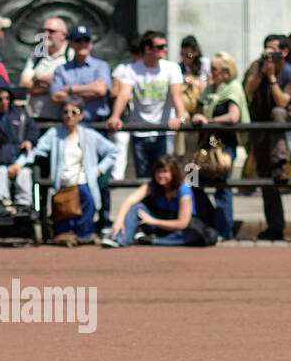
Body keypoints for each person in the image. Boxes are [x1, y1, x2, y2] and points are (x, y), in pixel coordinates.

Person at [23, 96, 118, 245]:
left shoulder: (89, 135)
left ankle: (84, 236)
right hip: (63, 184)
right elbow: (37, 150)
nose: (69, 115)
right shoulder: (54, 134)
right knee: (63, 221)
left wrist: (99, 170)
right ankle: (64, 236)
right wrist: (20, 163)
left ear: (81, 115)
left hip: (83, 182)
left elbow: (113, 151)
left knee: (86, 217)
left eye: (74, 112)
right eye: (65, 111)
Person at [106, 30, 186, 178]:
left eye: (165, 45)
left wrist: (180, 117)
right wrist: (115, 116)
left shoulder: (172, 68)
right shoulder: (132, 69)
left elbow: (177, 96)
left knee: (165, 176)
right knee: (144, 178)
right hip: (140, 130)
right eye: (161, 46)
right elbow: (123, 94)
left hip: (164, 131)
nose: (165, 49)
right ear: (148, 49)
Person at [191, 51, 247, 241]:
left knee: (222, 187)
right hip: (204, 145)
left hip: (223, 144)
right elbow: (197, 110)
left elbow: (233, 116)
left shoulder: (233, 88)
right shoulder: (209, 89)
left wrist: (209, 120)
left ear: (226, 71)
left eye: (215, 69)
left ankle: (223, 231)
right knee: (192, 181)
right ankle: (208, 222)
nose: (211, 72)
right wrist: (197, 117)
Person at [244, 34, 291, 241]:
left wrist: (273, 78)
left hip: (283, 129)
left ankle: (280, 162)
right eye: (266, 49)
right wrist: (262, 72)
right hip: (261, 130)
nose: (268, 54)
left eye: (273, 50)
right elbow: (247, 91)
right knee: (267, 180)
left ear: (284, 52)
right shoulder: (258, 66)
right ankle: (275, 226)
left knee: (278, 113)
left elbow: (283, 102)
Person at [103, 154, 201, 246]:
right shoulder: (151, 186)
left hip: (177, 229)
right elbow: (129, 201)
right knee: (137, 207)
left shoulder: (184, 189)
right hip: (157, 226)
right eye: (158, 172)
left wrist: (153, 221)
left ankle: (152, 240)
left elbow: (182, 223)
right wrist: (119, 221)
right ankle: (121, 239)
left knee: (193, 236)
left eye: (165, 172)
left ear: (174, 173)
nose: (160, 175)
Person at [0, 77, 39, 214]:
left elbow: (33, 130)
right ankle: (0, 203)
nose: (4, 102)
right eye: (0, 99)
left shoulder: (21, 114)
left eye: (7, 98)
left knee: (25, 176)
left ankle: (24, 204)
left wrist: (29, 140)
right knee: (0, 174)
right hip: (1, 160)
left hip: (20, 159)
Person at [20, 15, 72, 121]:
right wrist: (51, 85)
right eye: (44, 31)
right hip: (34, 117)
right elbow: (24, 84)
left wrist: (37, 79)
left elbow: (69, 84)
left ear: (63, 35)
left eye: (51, 31)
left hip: (60, 118)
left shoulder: (70, 55)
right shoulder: (37, 54)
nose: (45, 34)